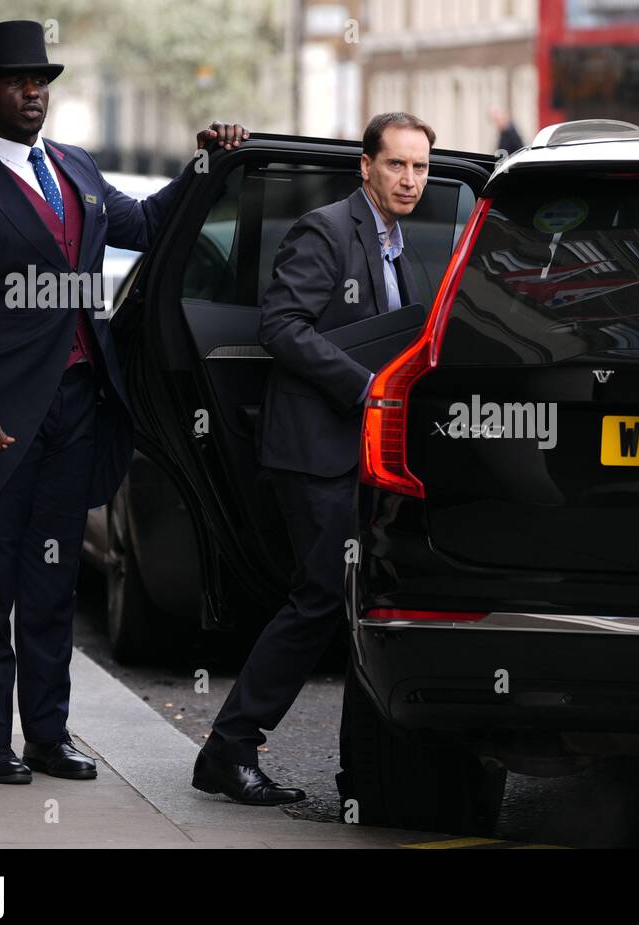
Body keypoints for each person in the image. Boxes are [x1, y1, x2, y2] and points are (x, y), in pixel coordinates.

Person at [0, 19, 247, 785]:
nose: (34, 92)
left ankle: (48, 735)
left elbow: (150, 224)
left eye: (42, 81)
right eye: (18, 82)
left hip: (76, 409)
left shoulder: (78, 170)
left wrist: (207, 160)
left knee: (54, 581)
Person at [192, 112, 433, 805]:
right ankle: (230, 747)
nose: (410, 179)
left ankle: (363, 766)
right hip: (314, 450)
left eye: (419, 167)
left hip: (366, 456)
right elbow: (281, 327)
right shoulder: (328, 229)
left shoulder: (397, 244)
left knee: (359, 602)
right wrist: (367, 388)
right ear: (366, 166)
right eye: (397, 165)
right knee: (321, 595)